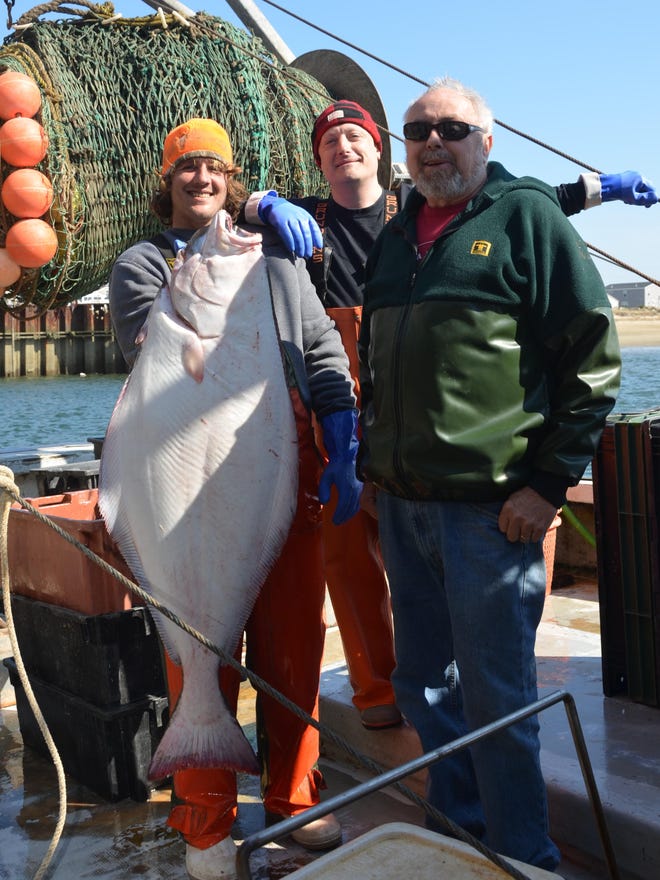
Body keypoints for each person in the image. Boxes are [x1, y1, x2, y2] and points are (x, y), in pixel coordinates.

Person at [245, 99, 655, 733]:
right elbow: (214, 207)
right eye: (329, 142)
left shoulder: (419, 204)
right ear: (317, 159)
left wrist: (602, 188)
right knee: (348, 558)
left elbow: (526, 198)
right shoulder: (306, 217)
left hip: (439, 407)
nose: (343, 147)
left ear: (381, 151)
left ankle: (493, 689)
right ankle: (378, 687)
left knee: (479, 605)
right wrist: (259, 204)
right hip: (346, 406)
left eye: (355, 135)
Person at [356, 78, 622, 871]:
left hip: (490, 514)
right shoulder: (397, 235)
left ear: (487, 140)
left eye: (452, 128)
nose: (434, 142)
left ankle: (523, 858)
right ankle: (462, 840)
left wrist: (548, 484)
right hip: (404, 510)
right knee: (425, 692)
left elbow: (593, 357)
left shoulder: (526, 217)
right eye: (418, 131)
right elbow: (379, 362)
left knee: (497, 699)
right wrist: (375, 469)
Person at [108, 118, 363, 880]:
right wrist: (241, 227)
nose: (202, 180)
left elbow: (319, 348)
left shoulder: (280, 263)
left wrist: (343, 432)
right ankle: (207, 824)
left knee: (295, 654)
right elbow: (149, 350)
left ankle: (296, 800)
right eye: (187, 169)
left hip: (280, 476)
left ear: (233, 177)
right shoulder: (142, 265)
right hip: (189, 489)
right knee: (203, 662)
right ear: (168, 183)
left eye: (216, 168)